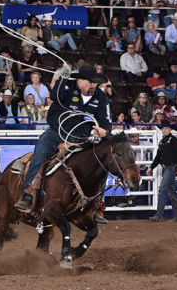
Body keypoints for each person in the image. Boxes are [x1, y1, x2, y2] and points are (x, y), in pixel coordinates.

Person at [15, 65, 111, 213]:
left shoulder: (101, 97)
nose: (93, 85)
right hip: (57, 132)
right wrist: (62, 78)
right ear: (79, 81)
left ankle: (96, 204)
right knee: (41, 151)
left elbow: (106, 122)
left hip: (82, 138)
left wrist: (104, 131)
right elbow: (54, 96)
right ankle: (29, 193)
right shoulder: (67, 87)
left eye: (95, 82)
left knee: (100, 163)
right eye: (90, 82)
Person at [146, 119, 177, 221]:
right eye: (163, 128)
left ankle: (159, 215)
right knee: (171, 192)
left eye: (166, 128)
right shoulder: (164, 141)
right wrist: (151, 167)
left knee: (162, 190)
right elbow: (158, 157)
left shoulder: (172, 140)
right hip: (168, 168)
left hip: (170, 167)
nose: (165, 130)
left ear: (170, 129)